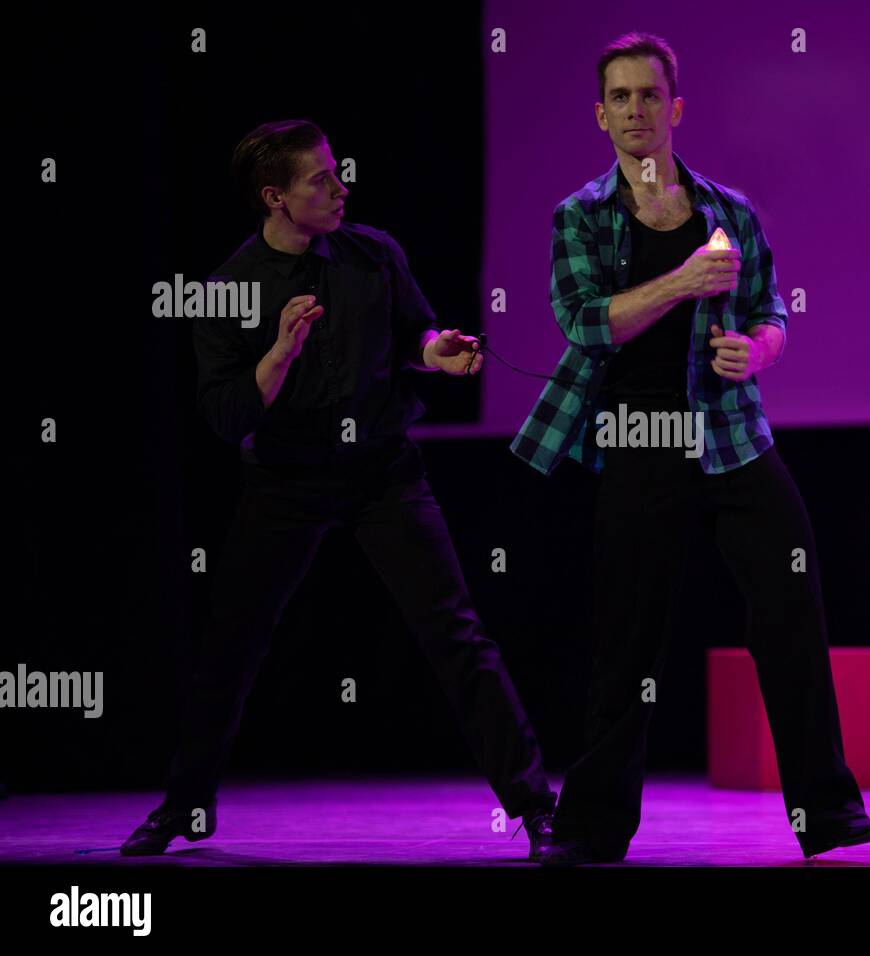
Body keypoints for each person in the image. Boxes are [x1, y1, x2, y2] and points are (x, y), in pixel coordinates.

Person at [122, 120, 556, 859]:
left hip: (382, 474)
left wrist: (436, 354)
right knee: (232, 646)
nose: (339, 185)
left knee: (457, 634)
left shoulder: (373, 253)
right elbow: (227, 416)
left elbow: (416, 333)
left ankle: (535, 806)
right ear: (276, 198)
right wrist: (281, 353)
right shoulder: (226, 291)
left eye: (336, 171)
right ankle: (182, 808)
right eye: (320, 179)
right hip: (284, 482)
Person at [510, 33, 870, 865]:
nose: (636, 111)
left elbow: (772, 310)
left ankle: (825, 811)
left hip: (731, 436)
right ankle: (591, 828)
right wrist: (681, 281)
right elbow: (583, 320)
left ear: (675, 109)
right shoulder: (582, 216)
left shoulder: (729, 211)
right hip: (640, 439)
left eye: (650, 96)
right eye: (621, 98)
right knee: (626, 637)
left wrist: (756, 350)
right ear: (601, 115)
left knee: (789, 607)